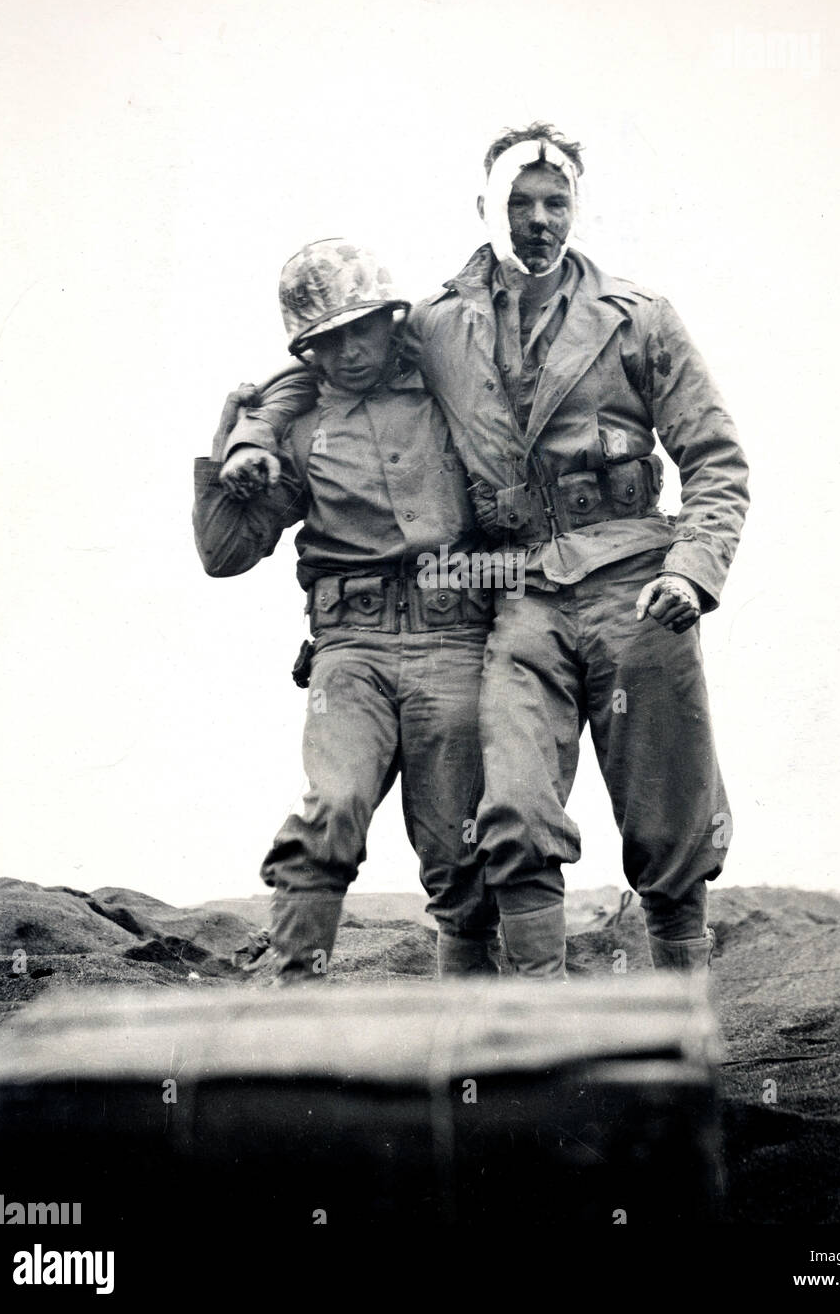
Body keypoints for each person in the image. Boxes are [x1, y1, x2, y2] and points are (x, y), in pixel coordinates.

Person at [223, 123, 750, 981]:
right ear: (485, 208)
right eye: (519, 201)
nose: (538, 219)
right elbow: (325, 362)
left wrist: (692, 567)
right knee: (508, 811)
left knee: (669, 816)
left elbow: (715, 457)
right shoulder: (433, 323)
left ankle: (682, 1021)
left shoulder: (636, 318)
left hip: (636, 584)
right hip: (518, 593)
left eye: (555, 202)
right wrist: (252, 430)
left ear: (575, 210)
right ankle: (528, 1032)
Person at [194, 238, 500, 983]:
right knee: (332, 807)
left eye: (360, 329)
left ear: (390, 322)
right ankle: (292, 996)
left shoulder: (448, 395)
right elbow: (224, 554)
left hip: (453, 636)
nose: (349, 352)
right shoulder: (294, 428)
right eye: (327, 341)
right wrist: (233, 440)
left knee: (459, 848)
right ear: (309, 353)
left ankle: (479, 1034)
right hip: (350, 649)